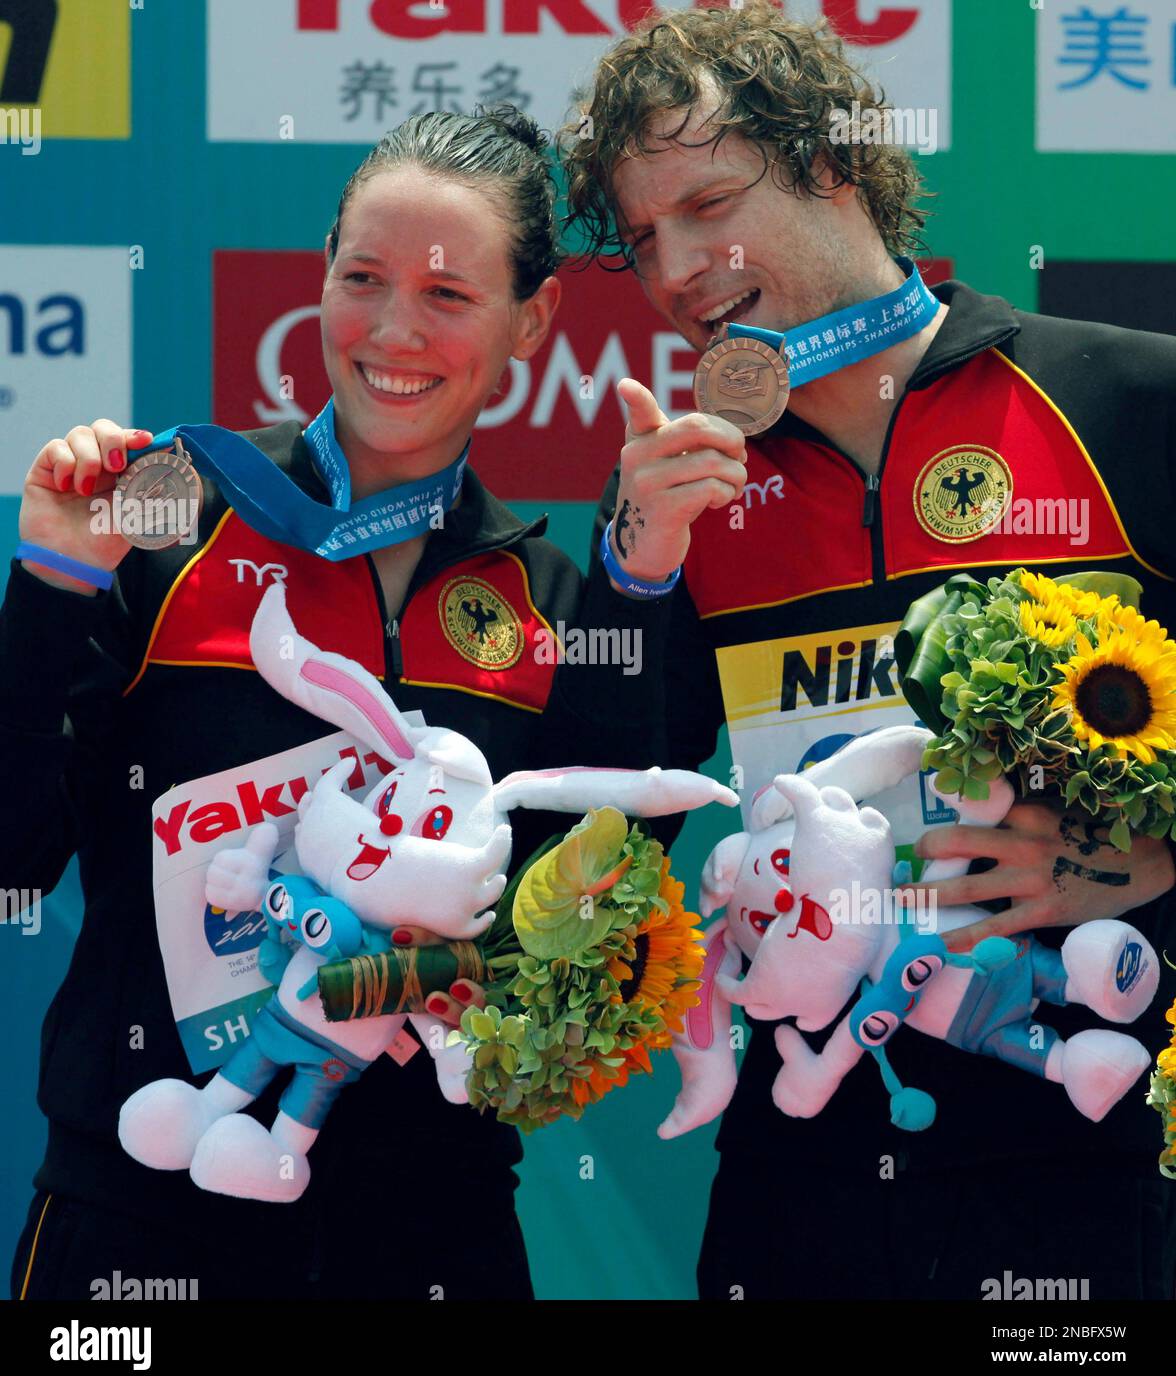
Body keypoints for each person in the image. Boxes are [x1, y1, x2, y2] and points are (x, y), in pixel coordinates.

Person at [557, 3, 1176, 1299]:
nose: (675, 269)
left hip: (1104, 1147)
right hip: (807, 1169)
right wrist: (630, 581)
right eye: (644, 237)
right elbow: (578, 853)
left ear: (835, 164)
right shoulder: (686, 496)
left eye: (709, 202)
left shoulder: (1123, 396)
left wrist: (1154, 861)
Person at [6, 105, 591, 1301]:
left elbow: (555, 954)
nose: (391, 329)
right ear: (318, 274)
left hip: (431, 1227)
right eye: (361, 276)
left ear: (532, 322)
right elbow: (11, 856)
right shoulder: (171, 508)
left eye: (448, 295)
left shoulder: (544, 594)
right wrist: (52, 582)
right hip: (142, 1217)